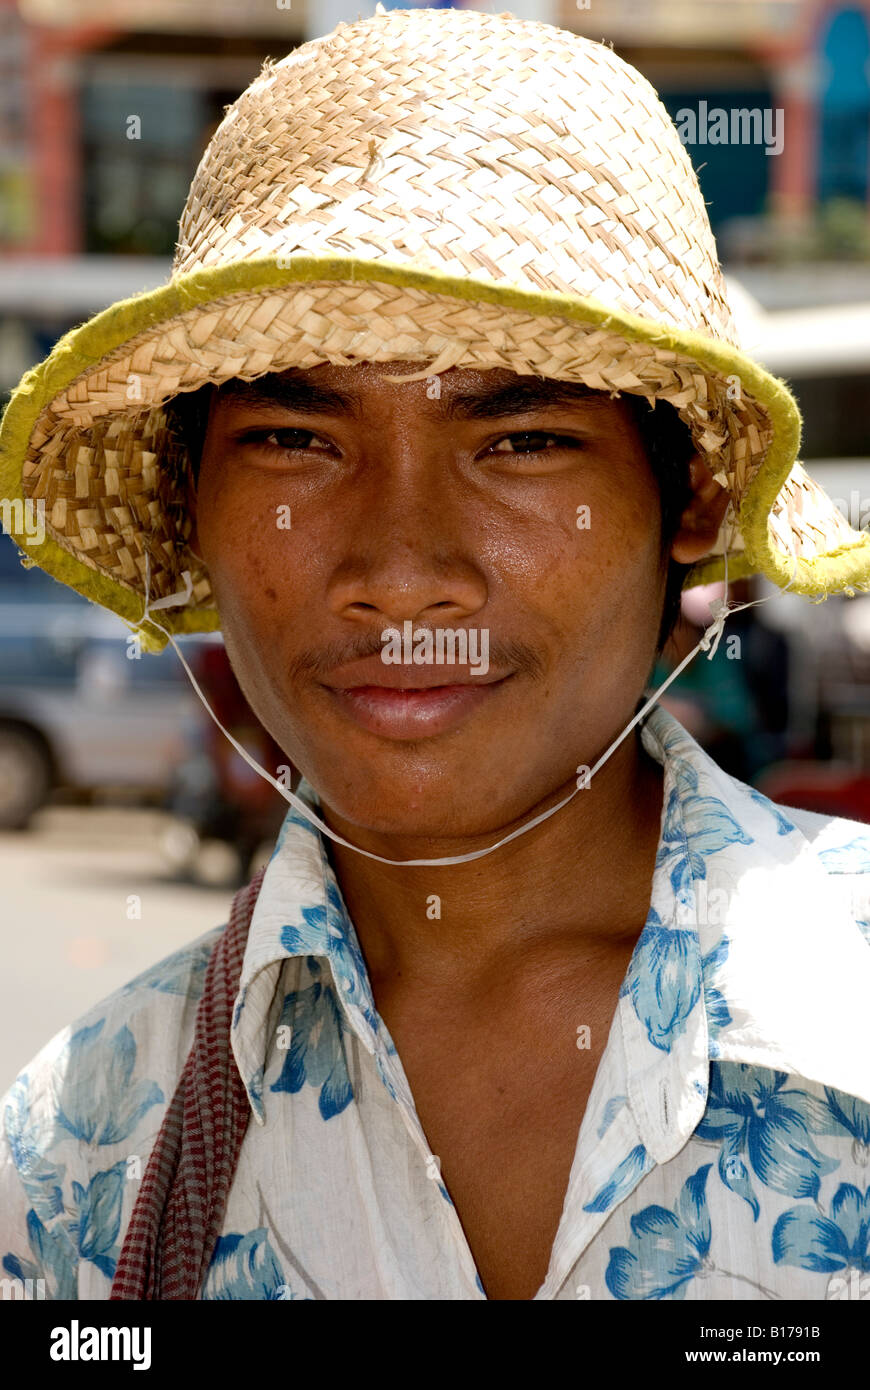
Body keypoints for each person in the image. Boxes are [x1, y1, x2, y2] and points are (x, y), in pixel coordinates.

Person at [2, 6, 870, 1303]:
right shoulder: (84, 1148)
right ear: (194, 509)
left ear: (685, 502)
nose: (399, 571)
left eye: (518, 441)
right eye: (297, 442)